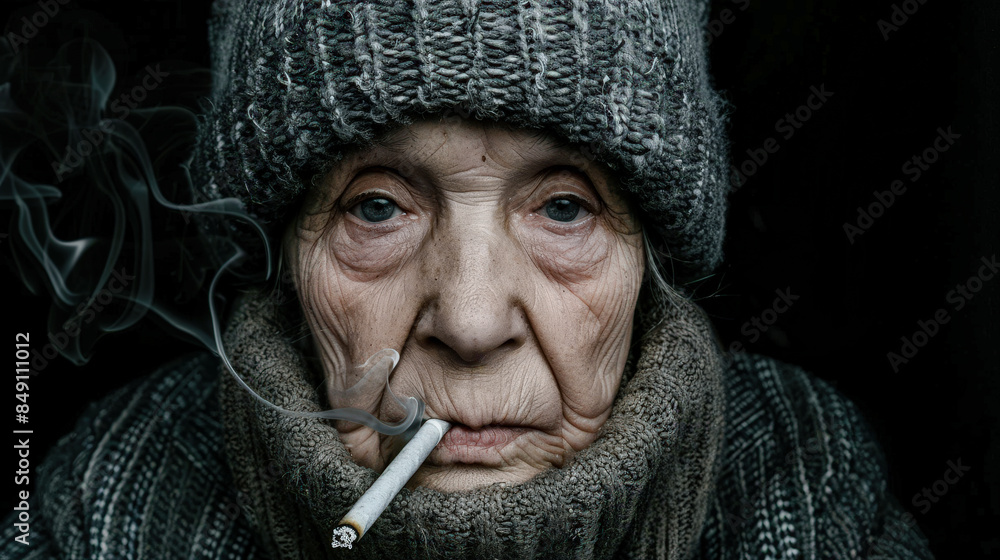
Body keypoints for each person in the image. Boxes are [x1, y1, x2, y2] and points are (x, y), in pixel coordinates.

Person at [1, 0, 934, 558]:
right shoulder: (108, 505)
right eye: (377, 207)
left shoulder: (806, 486)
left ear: (652, 261)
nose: (475, 320)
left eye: (565, 208)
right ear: (285, 255)